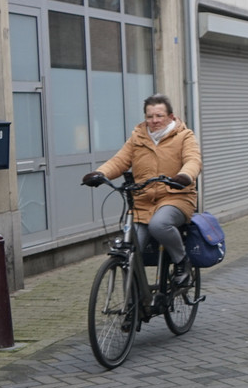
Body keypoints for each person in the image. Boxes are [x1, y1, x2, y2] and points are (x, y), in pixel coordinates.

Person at [82, 94, 201, 285]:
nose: (154, 120)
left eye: (159, 116)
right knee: (130, 246)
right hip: (143, 202)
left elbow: (193, 160)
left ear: (170, 116)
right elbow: (119, 161)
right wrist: (100, 173)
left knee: (159, 225)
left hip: (176, 197)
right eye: (150, 116)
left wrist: (185, 176)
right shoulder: (138, 138)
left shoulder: (184, 136)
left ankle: (181, 261)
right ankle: (136, 298)